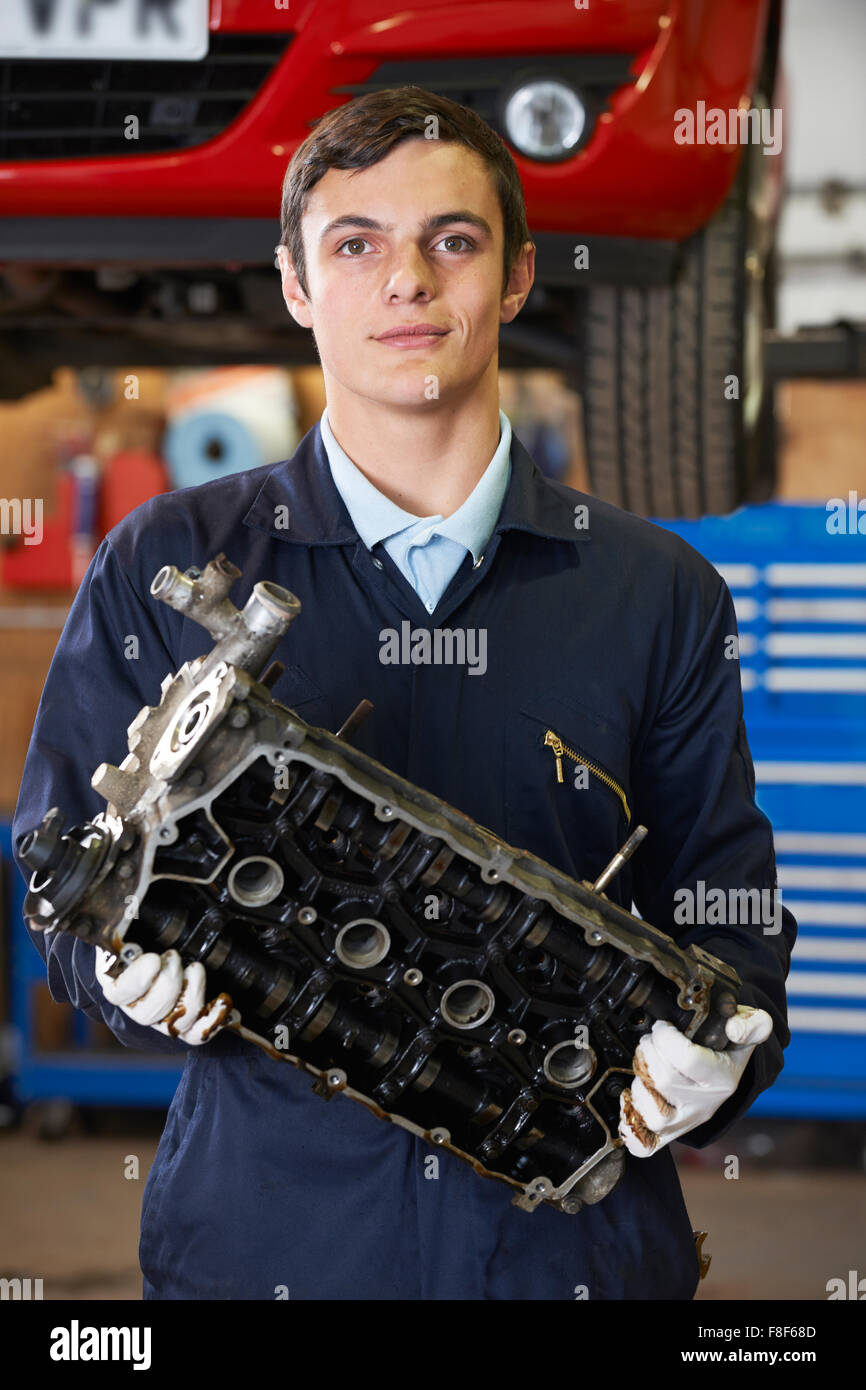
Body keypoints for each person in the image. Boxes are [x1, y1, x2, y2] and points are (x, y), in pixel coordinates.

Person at [12, 86, 794, 1301]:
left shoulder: (657, 592)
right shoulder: (165, 561)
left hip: (568, 1263)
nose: (407, 281)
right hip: (268, 1253)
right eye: (355, 243)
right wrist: (113, 967)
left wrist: (719, 1057)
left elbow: (731, 931)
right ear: (294, 283)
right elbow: (57, 886)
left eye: (453, 240)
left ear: (518, 275)